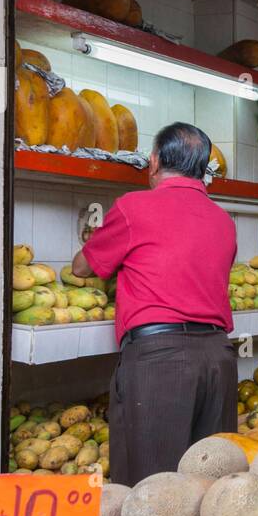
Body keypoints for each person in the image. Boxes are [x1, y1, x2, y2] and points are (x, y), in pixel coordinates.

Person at [72, 122, 238, 486]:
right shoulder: (224, 221)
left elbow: (82, 267)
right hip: (218, 360)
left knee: (151, 490)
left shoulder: (134, 207)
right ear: (202, 168)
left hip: (160, 362)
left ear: (154, 161)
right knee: (212, 485)